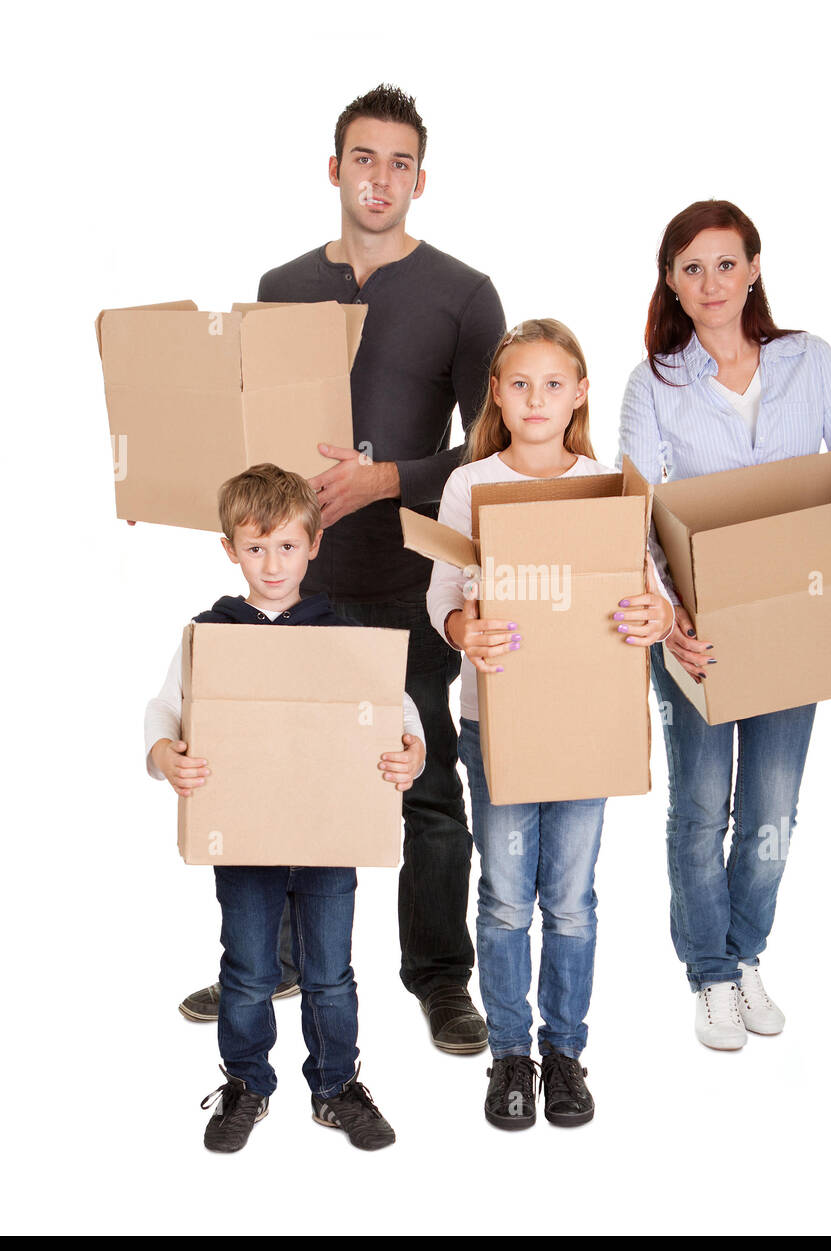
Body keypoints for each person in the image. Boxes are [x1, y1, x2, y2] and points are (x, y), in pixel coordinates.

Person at [179, 85, 506, 1054]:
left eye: (400, 162)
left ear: (419, 179)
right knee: (283, 766)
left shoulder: (463, 292)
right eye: (365, 158)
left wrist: (389, 480)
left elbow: (494, 445)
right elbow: (257, 434)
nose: (381, 177)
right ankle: (274, 960)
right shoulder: (281, 287)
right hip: (297, 583)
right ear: (335, 169)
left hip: (410, 579)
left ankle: (441, 980)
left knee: (426, 780)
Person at [619, 200, 831, 1052]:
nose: (709, 283)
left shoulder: (808, 360)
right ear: (671, 284)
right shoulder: (653, 383)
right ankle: (711, 976)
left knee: (770, 813)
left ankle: (744, 952)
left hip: (796, 621)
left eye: (725, 263)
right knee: (698, 809)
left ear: (754, 268)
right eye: (690, 268)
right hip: (700, 634)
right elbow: (634, 513)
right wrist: (666, 616)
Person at [427, 319, 674, 1127]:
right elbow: (442, 597)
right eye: (520, 384)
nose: (537, 399)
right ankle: (509, 1057)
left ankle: (564, 1054)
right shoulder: (472, 485)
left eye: (554, 383)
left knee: (569, 900)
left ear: (580, 393)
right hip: (494, 720)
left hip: (584, 722)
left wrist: (655, 615)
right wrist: (465, 630)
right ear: (496, 393)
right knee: (503, 897)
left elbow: (650, 598)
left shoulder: (608, 484)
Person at [147, 464, 426, 1151]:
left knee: (330, 972)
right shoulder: (210, 633)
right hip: (245, 840)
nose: (272, 564)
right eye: (254, 547)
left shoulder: (340, 629)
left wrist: (410, 749)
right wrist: (164, 755)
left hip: (328, 838)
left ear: (314, 546)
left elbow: (396, 706)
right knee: (246, 971)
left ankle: (335, 1087)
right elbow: (164, 709)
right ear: (229, 550)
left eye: (287, 547)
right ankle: (246, 1084)